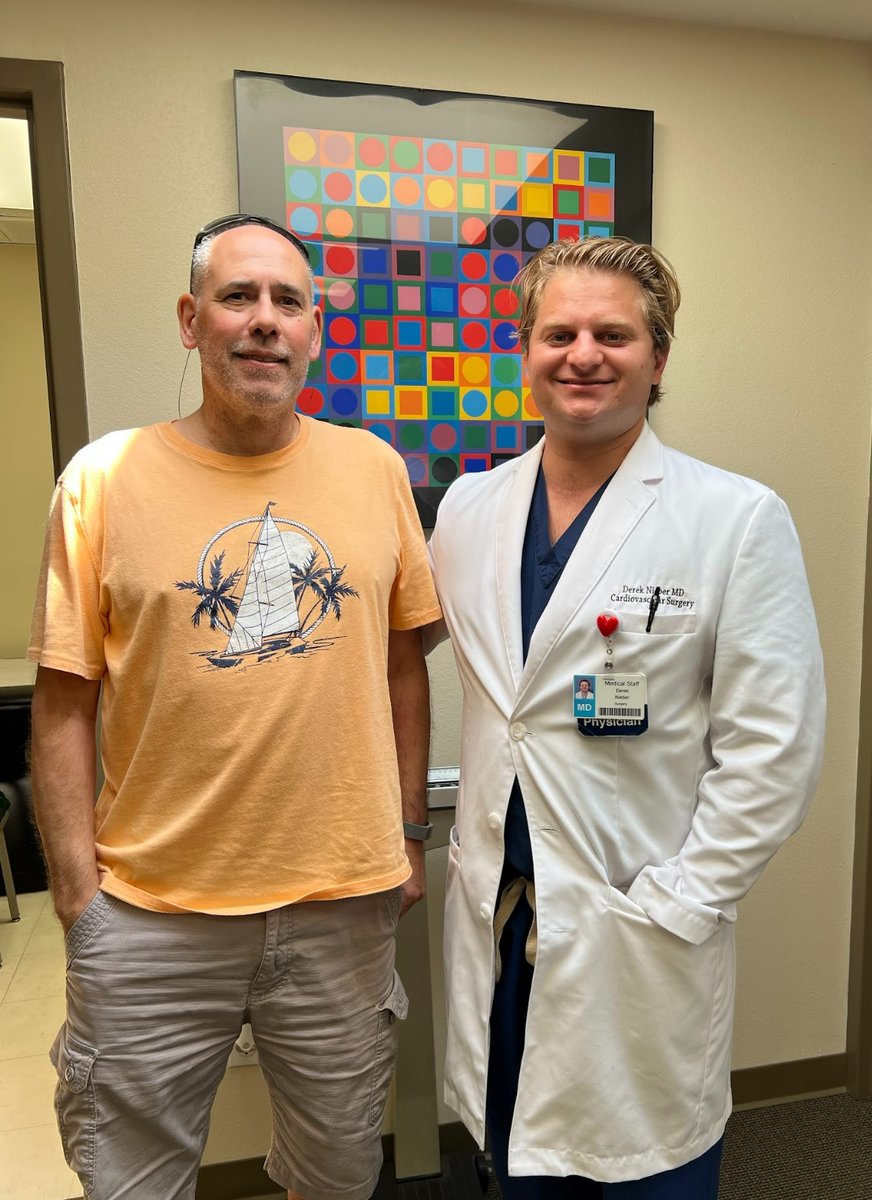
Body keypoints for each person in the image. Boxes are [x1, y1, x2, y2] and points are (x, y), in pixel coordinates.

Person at [28, 213, 441, 1200]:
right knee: (130, 1183)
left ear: (313, 332)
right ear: (191, 320)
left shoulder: (374, 469)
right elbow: (62, 704)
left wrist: (408, 835)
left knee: (338, 1175)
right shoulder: (101, 479)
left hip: (342, 906)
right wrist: (79, 896)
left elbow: (402, 666)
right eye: (237, 297)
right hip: (150, 914)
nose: (264, 320)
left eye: (287, 302)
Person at [426, 236, 825, 1198]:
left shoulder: (733, 517)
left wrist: (684, 899)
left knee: (645, 1173)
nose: (583, 355)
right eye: (558, 333)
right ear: (525, 351)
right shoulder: (468, 510)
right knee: (512, 1162)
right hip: (502, 916)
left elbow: (774, 749)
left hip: (634, 923)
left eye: (613, 335)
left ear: (657, 356)